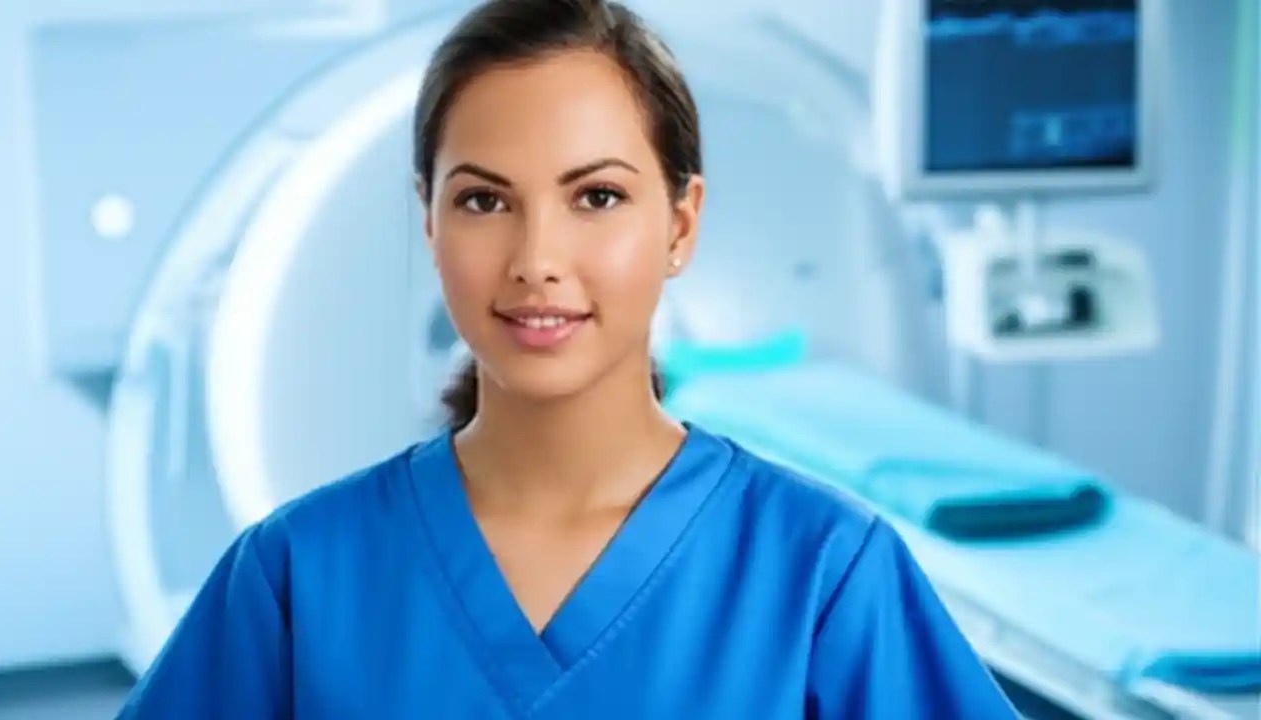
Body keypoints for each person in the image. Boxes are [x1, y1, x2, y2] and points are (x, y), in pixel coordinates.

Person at [117, 0, 1020, 717]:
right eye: (484, 202)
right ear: (428, 220)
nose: (537, 258)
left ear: (680, 223)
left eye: (596, 195)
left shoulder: (821, 571)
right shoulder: (295, 576)